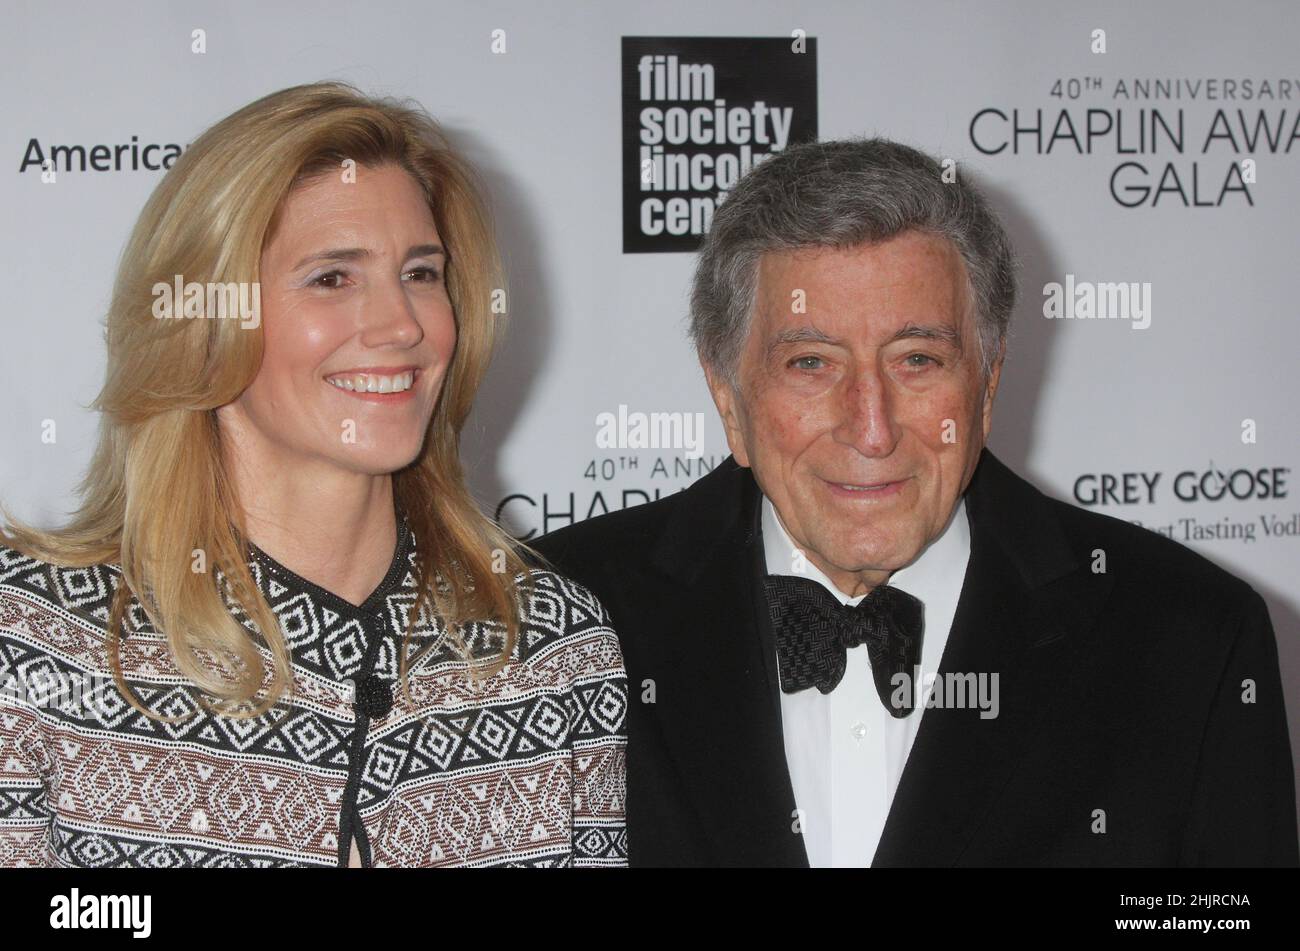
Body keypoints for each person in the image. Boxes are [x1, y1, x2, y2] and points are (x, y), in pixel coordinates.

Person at [531, 137, 1298, 867]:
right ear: (728, 399)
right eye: (810, 363)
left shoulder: (1188, 638)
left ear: (988, 385)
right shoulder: (554, 620)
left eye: (918, 359)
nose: (871, 428)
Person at [0, 82, 626, 868]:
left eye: (422, 273)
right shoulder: (37, 640)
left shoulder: (552, 648)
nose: (401, 324)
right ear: (207, 318)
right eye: (333, 277)